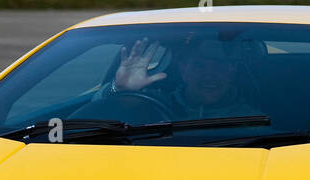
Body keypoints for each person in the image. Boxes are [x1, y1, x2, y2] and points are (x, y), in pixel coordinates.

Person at [108, 36, 261, 119]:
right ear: (183, 70)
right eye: (199, 66)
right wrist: (121, 91)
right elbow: (104, 112)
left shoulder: (253, 121)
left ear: (232, 71)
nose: (209, 75)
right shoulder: (152, 104)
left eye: (219, 66)